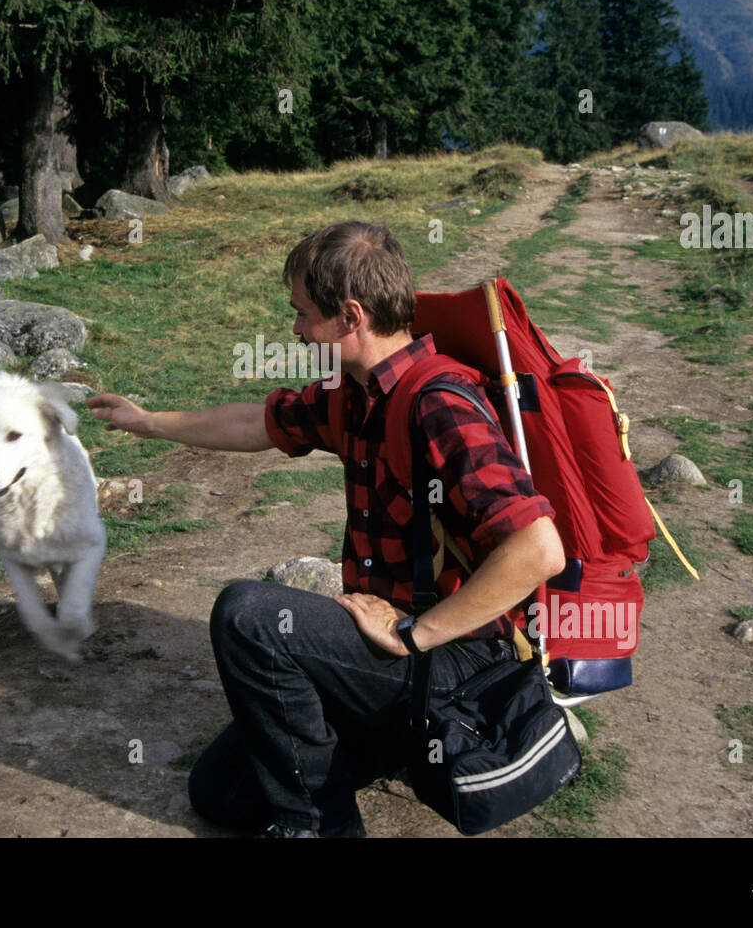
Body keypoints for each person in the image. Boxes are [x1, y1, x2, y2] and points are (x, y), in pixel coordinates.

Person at [86, 220, 565, 837]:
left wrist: (419, 632)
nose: (294, 330)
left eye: (303, 314)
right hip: (389, 654)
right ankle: (387, 744)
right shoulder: (355, 394)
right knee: (220, 790)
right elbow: (258, 423)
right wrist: (149, 421)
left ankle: (319, 828)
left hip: (455, 660)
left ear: (350, 317)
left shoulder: (437, 402)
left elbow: (538, 547)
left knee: (247, 614)